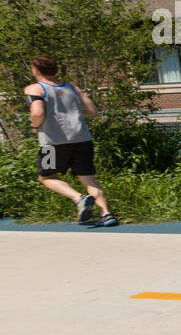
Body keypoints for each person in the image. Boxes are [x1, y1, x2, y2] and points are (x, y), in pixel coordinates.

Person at [24, 56, 119, 227]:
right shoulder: (72, 88)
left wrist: (34, 126)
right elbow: (92, 110)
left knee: (46, 177)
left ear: (36, 70)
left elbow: (37, 113)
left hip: (51, 144)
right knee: (88, 179)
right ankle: (106, 214)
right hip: (82, 140)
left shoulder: (35, 89)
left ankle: (79, 198)